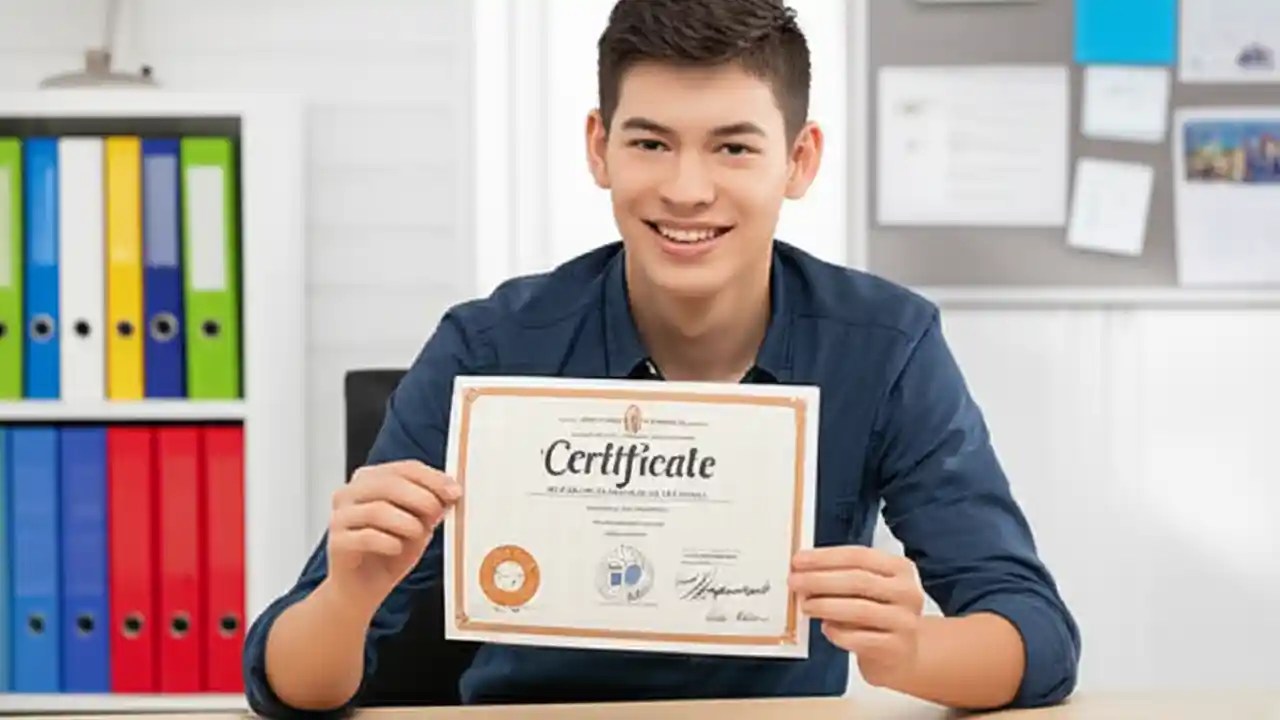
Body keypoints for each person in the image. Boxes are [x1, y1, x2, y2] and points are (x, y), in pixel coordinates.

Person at [242, 0, 1081, 716]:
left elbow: (1037, 636)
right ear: (598, 147)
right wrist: (350, 596)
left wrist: (914, 651)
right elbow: (284, 683)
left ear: (799, 161)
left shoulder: (887, 344)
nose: (686, 189)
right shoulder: (489, 347)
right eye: (650, 144)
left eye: (733, 147)